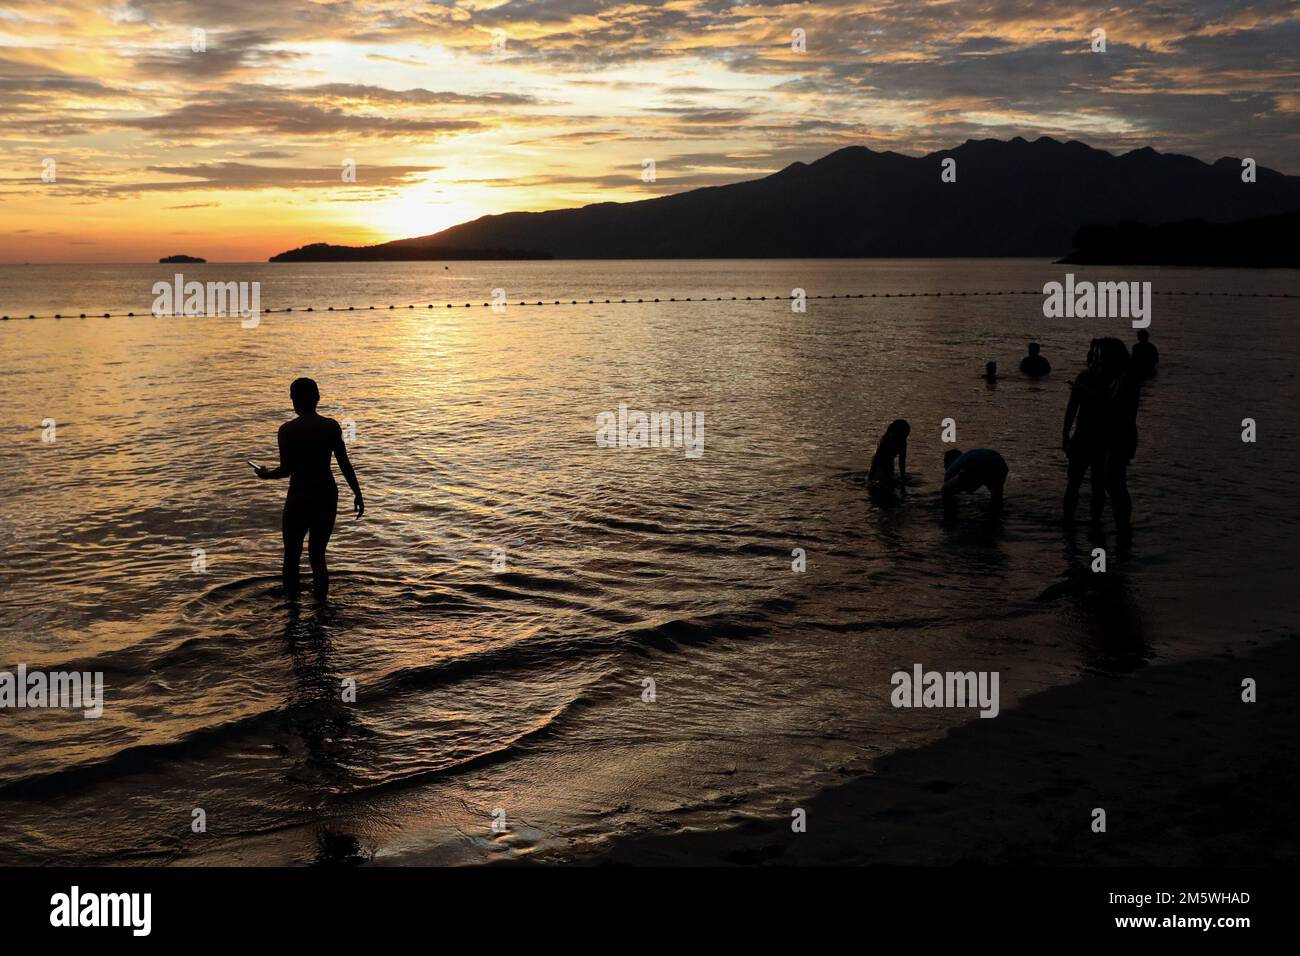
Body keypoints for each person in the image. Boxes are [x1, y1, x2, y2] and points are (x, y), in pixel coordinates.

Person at [255, 378, 364, 598]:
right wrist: (357, 493)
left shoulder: (287, 430)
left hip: (300, 496)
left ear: (293, 400)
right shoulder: (331, 426)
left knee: (292, 556)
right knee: (317, 556)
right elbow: (344, 463)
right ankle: (321, 607)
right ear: (317, 398)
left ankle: (292, 611)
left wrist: (265, 474)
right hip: (326, 494)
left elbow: (286, 470)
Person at [1062, 337, 1140, 529]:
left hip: (1104, 440)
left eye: (1099, 355)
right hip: (1085, 437)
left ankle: (1098, 524)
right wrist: (1065, 435)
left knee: (1103, 485)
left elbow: (1116, 409)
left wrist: (1086, 392)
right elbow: (1072, 408)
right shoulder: (1089, 378)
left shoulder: (1118, 380)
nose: (1096, 359)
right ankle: (1070, 523)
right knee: (1076, 483)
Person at [942, 447, 1008, 509]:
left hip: (976, 464)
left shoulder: (951, 470)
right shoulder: (965, 457)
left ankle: (950, 517)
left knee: (946, 491)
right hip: (999, 462)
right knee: (996, 496)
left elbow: (949, 488)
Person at [869, 419, 910, 485]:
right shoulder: (887, 441)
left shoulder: (901, 442)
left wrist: (903, 476)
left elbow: (902, 461)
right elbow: (876, 458)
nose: (907, 436)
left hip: (886, 466)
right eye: (906, 433)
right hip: (881, 467)